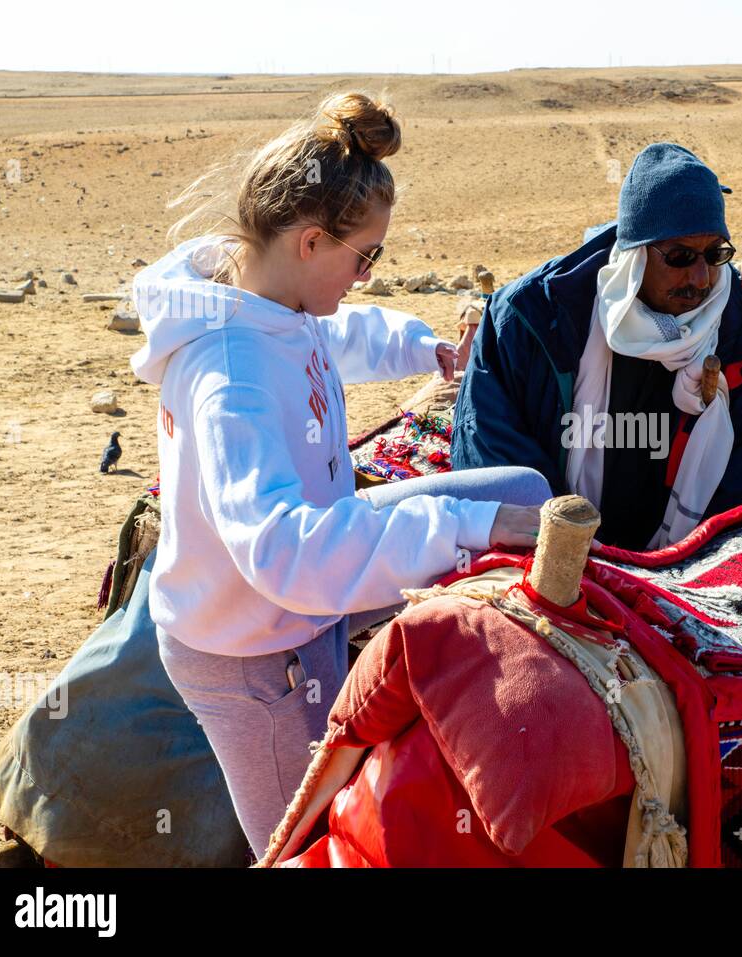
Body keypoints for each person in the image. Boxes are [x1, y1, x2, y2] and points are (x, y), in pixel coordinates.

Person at [129, 91, 550, 856]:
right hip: (253, 646)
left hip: (294, 606)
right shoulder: (231, 376)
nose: (365, 277)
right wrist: (462, 531)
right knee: (305, 843)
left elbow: (335, 336)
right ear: (313, 242)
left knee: (522, 494)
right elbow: (284, 554)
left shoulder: (272, 302)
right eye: (366, 257)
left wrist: (424, 349)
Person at [453, 143, 742, 550]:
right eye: (680, 255)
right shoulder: (531, 317)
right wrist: (565, 548)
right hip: (553, 554)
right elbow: (493, 451)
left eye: (716, 254)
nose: (701, 278)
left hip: (683, 570)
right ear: (635, 255)